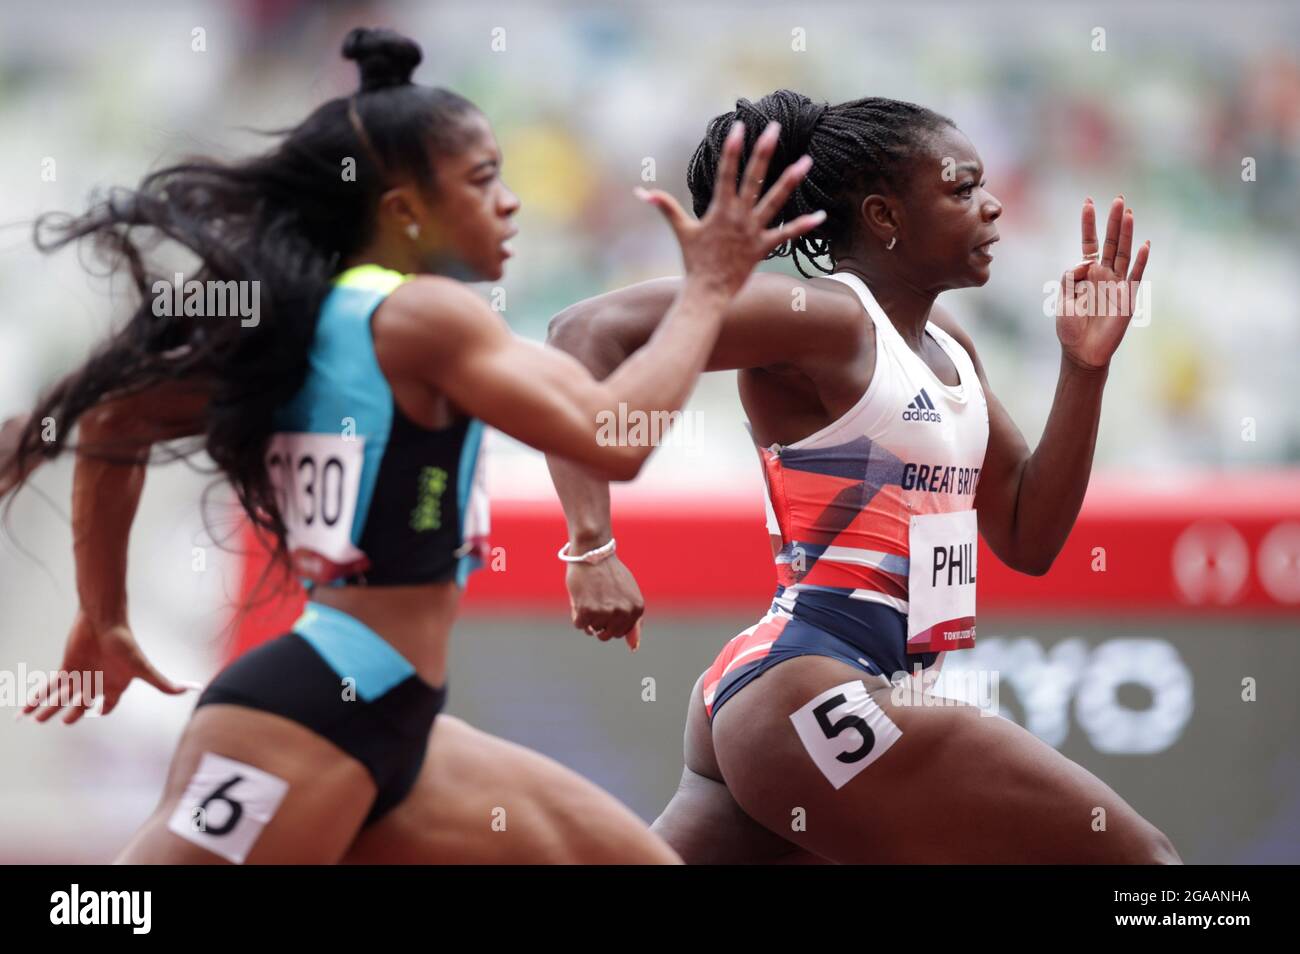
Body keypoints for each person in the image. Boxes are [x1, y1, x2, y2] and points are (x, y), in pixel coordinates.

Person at [0, 33, 822, 864]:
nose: (511, 203)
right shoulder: (428, 316)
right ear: (403, 212)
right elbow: (614, 438)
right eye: (481, 180)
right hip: (310, 714)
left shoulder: (303, 323)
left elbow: (114, 422)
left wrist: (103, 617)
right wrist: (709, 290)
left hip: (399, 717)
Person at [546, 90, 1180, 863]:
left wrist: (1083, 368)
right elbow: (581, 330)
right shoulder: (825, 319)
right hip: (815, 687)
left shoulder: (948, 347)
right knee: (1143, 864)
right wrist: (590, 546)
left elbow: (1026, 532)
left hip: (793, 699)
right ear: (885, 217)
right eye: (961, 189)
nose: (991, 209)